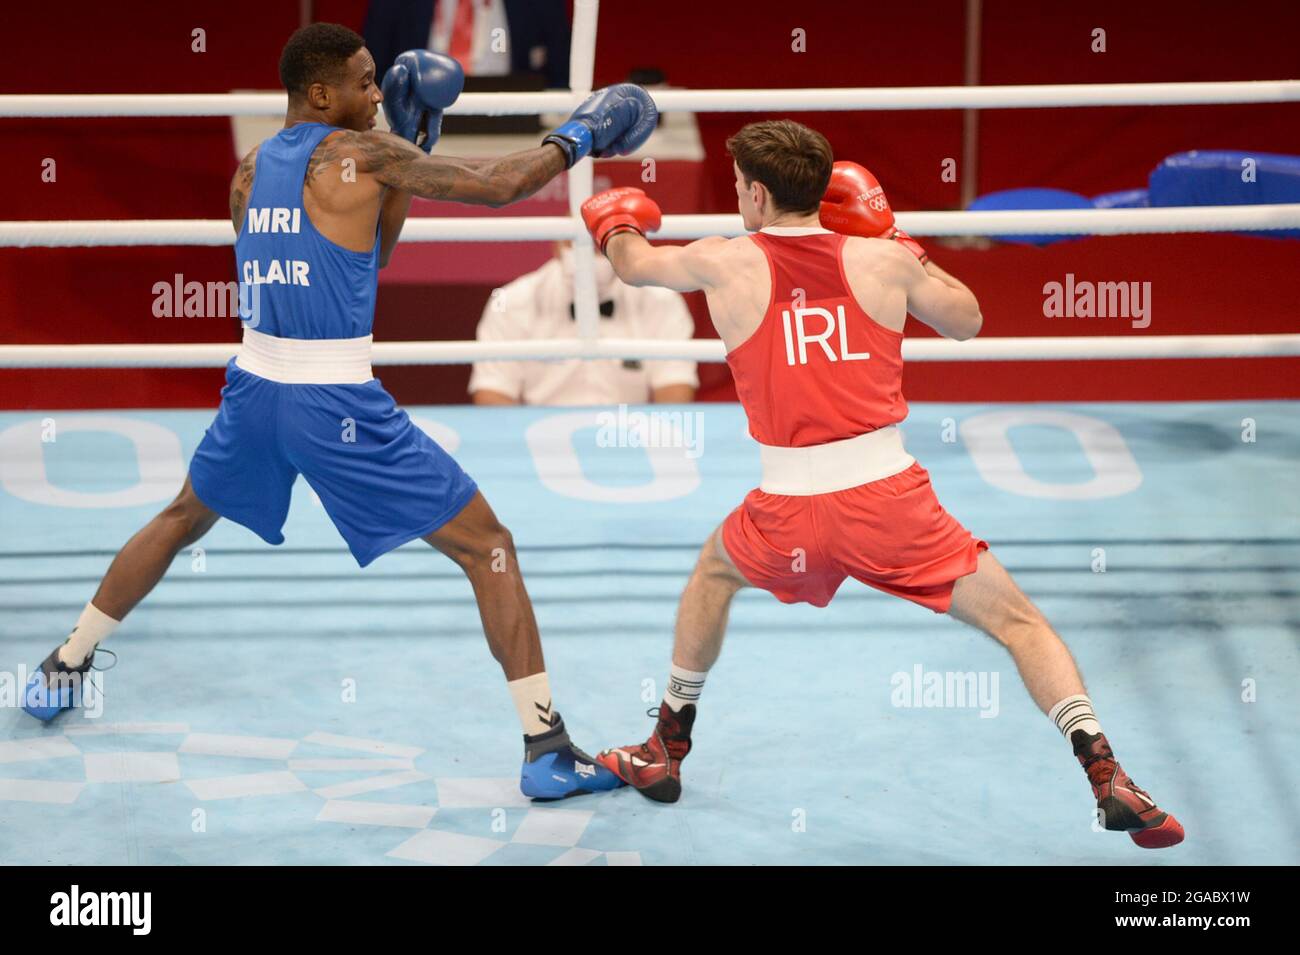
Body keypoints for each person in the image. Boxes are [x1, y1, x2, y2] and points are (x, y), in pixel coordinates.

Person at [22, 22, 657, 801]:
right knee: (488, 545)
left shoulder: (249, 172)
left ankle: (65, 662)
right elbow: (498, 186)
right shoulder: (369, 156)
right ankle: (546, 746)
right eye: (362, 82)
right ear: (320, 92)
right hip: (335, 403)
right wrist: (579, 134)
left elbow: (366, 252)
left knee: (182, 515)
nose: (375, 91)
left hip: (255, 390)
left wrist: (404, 158)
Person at [580, 119, 1184, 847]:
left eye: (742, 187)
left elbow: (637, 265)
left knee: (712, 573)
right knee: (1019, 622)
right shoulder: (881, 262)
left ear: (761, 196)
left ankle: (666, 746)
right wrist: (900, 240)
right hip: (891, 506)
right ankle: (1105, 770)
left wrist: (614, 218)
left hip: (786, 513)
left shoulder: (726, 261)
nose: (738, 197)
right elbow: (968, 319)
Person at [469, 241, 697, 406]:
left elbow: (674, 389)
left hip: (633, 435)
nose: (590, 254)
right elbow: (493, 392)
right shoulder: (512, 300)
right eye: (577, 243)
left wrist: (655, 446)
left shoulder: (661, 300)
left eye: (600, 244)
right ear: (557, 247)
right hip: (538, 441)